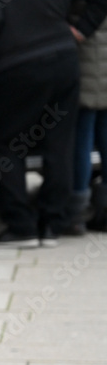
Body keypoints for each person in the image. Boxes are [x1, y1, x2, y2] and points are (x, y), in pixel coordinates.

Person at [0, 0, 107, 248]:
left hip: (19, 64)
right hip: (64, 61)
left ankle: (21, 226)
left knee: (7, 144)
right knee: (59, 144)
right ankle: (52, 225)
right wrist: (81, 30)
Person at [72, 12, 107, 233]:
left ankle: (77, 214)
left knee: (81, 145)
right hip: (102, 72)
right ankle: (103, 214)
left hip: (86, 70)